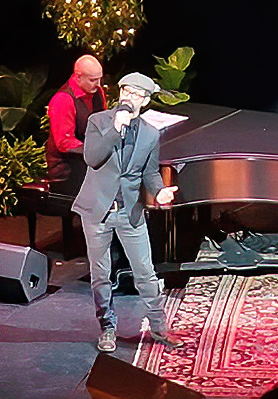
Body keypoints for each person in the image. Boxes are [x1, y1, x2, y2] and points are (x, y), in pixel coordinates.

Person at [72, 71, 179, 353]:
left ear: (144, 101)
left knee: (145, 271)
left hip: (130, 212)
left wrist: (159, 191)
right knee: (101, 273)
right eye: (126, 92)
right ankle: (107, 328)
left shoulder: (150, 133)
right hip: (97, 211)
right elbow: (92, 158)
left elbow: (150, 172)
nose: (129, 98)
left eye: (135, 94)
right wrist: (115, 129)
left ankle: (159, 327)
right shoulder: (99, 122)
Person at [46, 55, 106, 194]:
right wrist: (94, 152)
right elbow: (64, 143)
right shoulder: (63, 100)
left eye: (99, 79)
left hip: (87, 161)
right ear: (78, 77)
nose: (98, 84)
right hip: (67, 167)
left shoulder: (97, 92)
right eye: (92, 80)